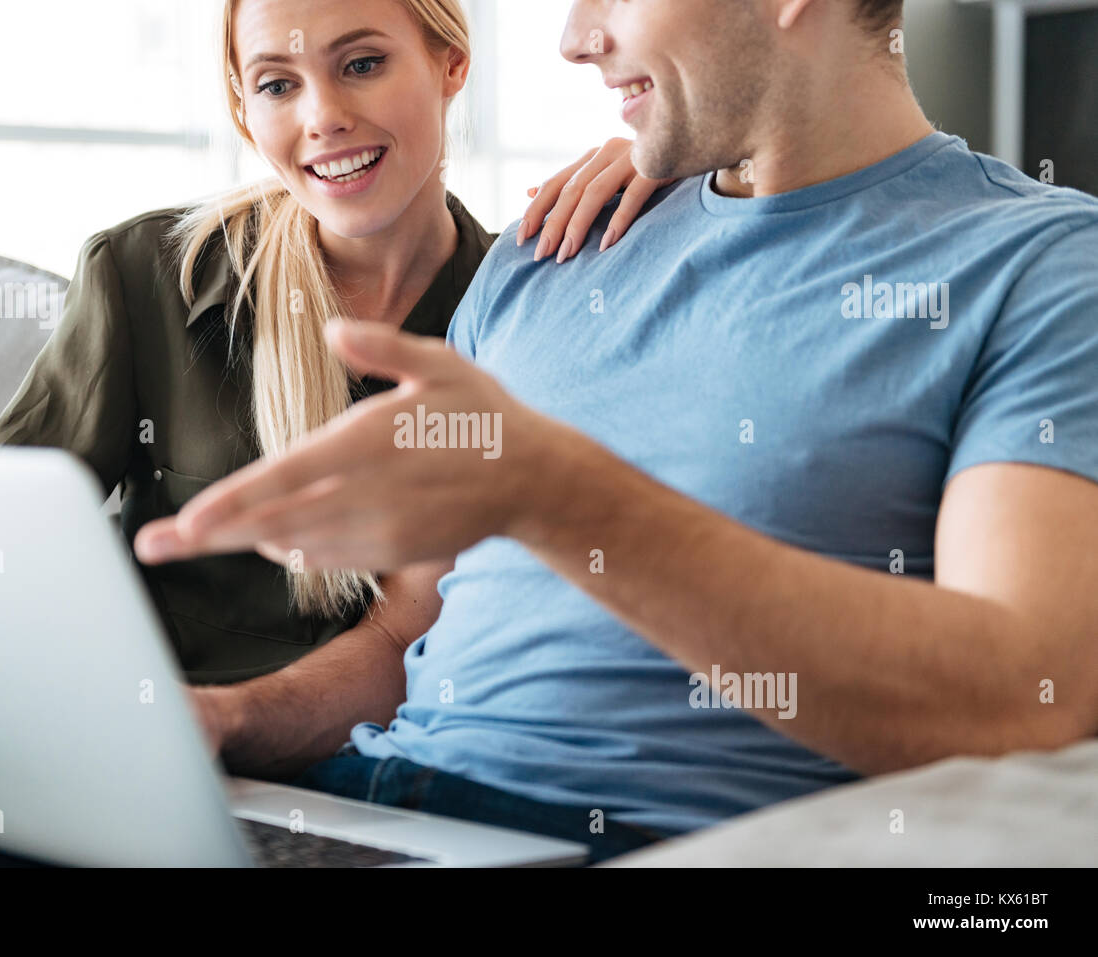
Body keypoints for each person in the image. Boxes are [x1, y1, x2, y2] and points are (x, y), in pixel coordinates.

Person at [135, 0, 1098, 859]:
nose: (573, 38)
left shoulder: (1040, 265)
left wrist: (559, 495)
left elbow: (1024, 695)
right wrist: (231, 719)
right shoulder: (551, 250)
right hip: (363, 818)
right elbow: (406, 634)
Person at [0, 0, 668, 864]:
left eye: (361, 64)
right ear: (243, 110)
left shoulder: (527, 326)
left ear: (451, 65)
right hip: (81, 753)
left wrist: (665, 162)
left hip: (297, 794)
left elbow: (413, 639)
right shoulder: (147, 277)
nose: (322, 116)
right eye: (277, 84)